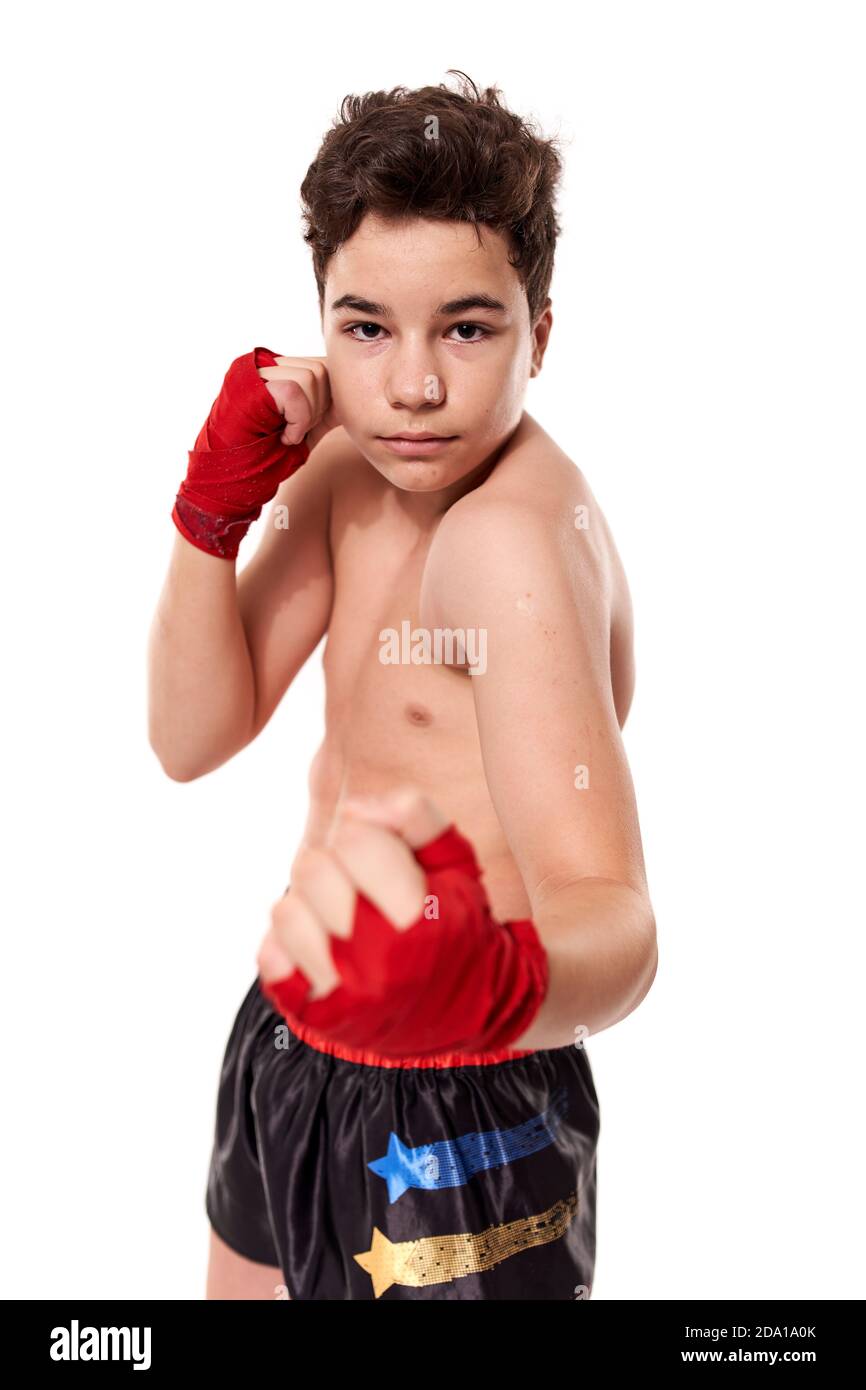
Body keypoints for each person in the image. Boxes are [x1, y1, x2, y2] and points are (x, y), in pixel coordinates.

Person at [147, 71, 657, 1301]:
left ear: (541, 330)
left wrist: (486, 991)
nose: (411, 386)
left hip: (463, 1087)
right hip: (291, 1030)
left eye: (466, 329)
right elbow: (187, 735)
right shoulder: (345, 470)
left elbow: (621, 925)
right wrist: (209, 516)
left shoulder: (509, 546)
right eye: (366, 328)